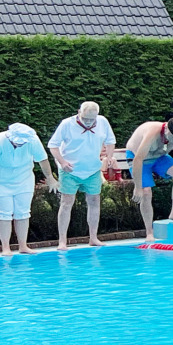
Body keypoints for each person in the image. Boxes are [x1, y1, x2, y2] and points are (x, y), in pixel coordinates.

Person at [49, 102, 116, 248]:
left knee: (94, 202)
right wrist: (62, 162)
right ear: (79, 112)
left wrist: (109, 157)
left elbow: (111, 141)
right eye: (85, 119)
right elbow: (53, 145)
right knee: (66, 203)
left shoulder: (103, 122)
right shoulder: (67, 124)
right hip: (70, 170)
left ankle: (93, 237)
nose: (88, 122)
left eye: (92, 120)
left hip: (92, 170)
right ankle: (62, 241)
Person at [0, 121, 56, 255]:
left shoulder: (33, 140)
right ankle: (6, 247)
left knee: (23, 212)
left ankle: (23, 245)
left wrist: (50, 178)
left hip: (24, 179)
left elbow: (43, 159)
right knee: (4, 213)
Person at [124, 111, 173, 241]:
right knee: (146, 192)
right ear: (166, 128)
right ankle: (149, 232)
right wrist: (138, 187)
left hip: (158, 157)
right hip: (138, 159)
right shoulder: (152, 133)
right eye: (172, 137)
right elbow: (138, 159)